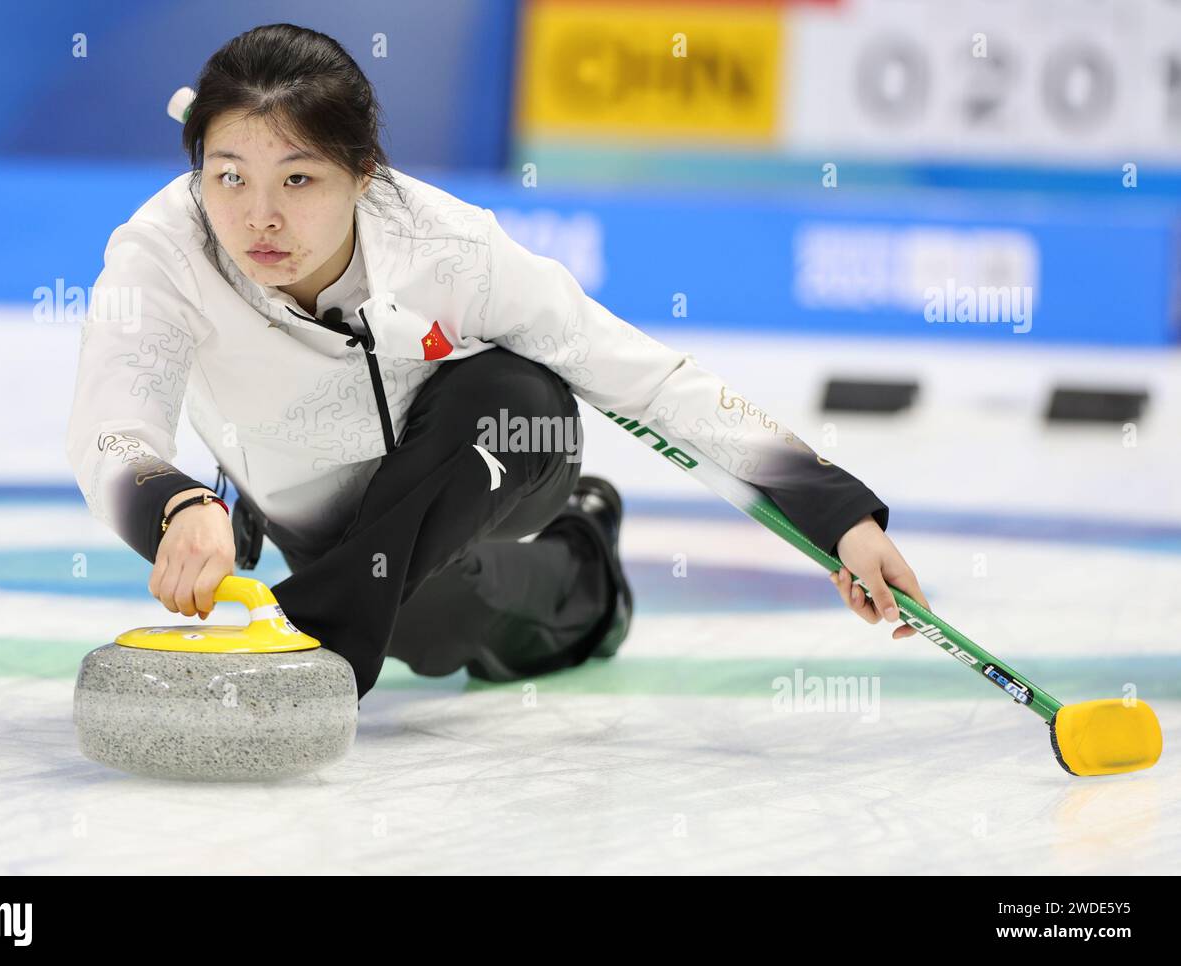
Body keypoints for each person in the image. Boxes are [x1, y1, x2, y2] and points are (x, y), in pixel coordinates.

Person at [64, 23, 930, 701]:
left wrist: (837, 515)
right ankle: (555, 565)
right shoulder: (161, 254)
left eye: (299, 180)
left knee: (506, 396)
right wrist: (170, 503)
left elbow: (647, 378)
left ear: (365, 173)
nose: (259, 218)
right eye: (228, 178)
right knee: (435, 628)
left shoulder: (448, 249)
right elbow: (108, 433)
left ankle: (329, 639)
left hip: (491, 449)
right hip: (314, 495)